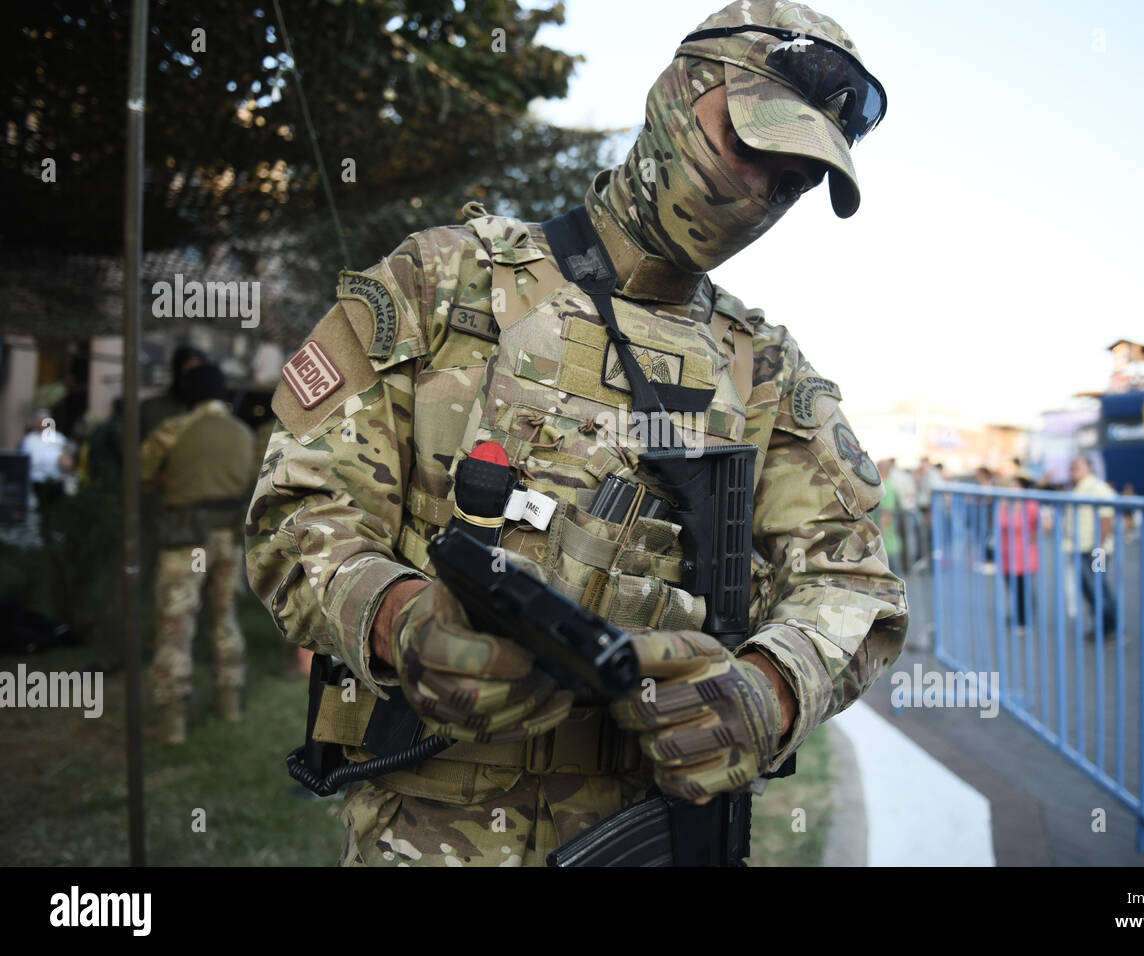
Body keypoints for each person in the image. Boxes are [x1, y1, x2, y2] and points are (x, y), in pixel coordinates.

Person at [246, 0, 907, 867]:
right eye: (750, 148)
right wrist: (397, 618)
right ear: (679, 94)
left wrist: (773, 691)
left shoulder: (767, 372)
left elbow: (854, 581)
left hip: (659, 830)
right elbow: (296, 514)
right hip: (426, 830)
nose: (758, 195)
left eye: (791, 182)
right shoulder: (447, 283)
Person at [142, 363, 256, 743]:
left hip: (187, 541)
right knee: (226, 618)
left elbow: (143, 471)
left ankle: (172, 720)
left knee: (177, 625)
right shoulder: (244, 434)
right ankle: (230, 702)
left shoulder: (174, 429)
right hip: (228, 539)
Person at [1063, 455, 1117, 639]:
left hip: (1096, 550)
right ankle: (1102, 626)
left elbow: (1106, 520)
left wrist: (1098, 550)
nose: (1072, 471)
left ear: (1089, 468)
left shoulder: (1097, 488)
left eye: (1077, 466)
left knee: (1098, 588)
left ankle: (1108, 628)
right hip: (1081, 548)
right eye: (1071, 467)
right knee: (1090, 588)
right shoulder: (1078, 489)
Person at [998, 470, 1039, 631]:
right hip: (1007, 553)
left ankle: (1025, 618)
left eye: (1014, 485)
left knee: (1023, 587)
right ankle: (1019, 614)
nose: (1010, 488)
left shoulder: (1030, 505)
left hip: (1024, 554)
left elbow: (1037, 528)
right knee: (1013, 587)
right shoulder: (1004, 505)